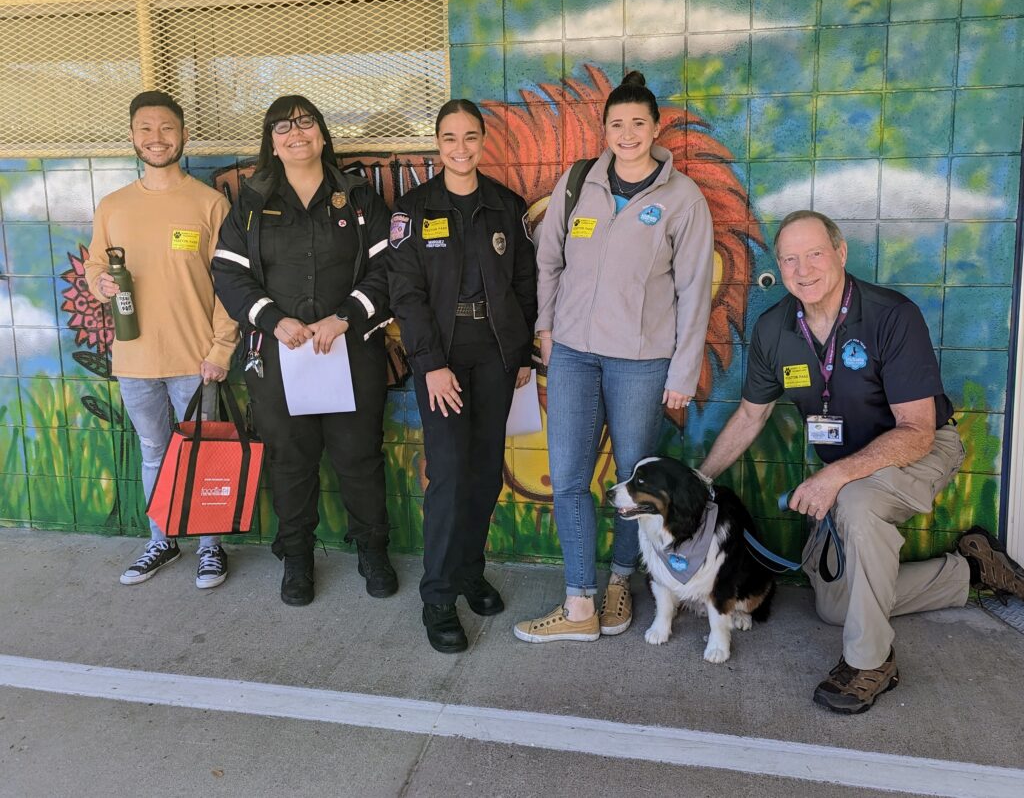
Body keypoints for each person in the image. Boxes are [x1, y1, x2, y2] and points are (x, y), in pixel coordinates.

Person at [697, 209, 1024, 714]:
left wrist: (837, 474)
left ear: (841, 253)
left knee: (854, 500)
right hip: (852, 467)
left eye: (814, 255)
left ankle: (870, 662)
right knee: (832, 605)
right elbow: (750, 415)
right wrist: (703, 479)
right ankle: (971, 572)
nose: (802, 270)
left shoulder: (890, 314)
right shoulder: (774, 328)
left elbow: (916, 431)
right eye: (789, 260)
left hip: (922, 448)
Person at [514, 71, 715, 643]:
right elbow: (547, 261)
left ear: (656, 128)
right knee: (571, 478)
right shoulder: (579, 183)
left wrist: (682, 371)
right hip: (574, 355)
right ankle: (579, 603)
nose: (627, 134)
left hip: (641, 362)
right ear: (603, 130)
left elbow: (694, 288)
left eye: (638, 124)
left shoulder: (682, 198)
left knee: (635, 483)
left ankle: (622, 583)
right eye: (617, 125)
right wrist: (546, 329)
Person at [212, 95, 397, 606]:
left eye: (306, 122)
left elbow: (390, 271)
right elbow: (227, 274)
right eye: (283, 127)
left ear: (322, 133)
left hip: (352, 351)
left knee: (359, 459)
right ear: (270, 140)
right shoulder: (249, 204)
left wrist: (345, 317)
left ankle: (373, 550)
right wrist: (275, 320)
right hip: (277, 358)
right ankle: (296, 558)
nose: (296, 133)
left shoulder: (360, 198)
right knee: (290, 462)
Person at [387, 99, 537, 653]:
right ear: (438, 144)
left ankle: (471, 572)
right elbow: (406, 293)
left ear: (482, 141)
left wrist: (520, 355)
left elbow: (525, 283)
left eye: (470, 137)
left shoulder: (505, 206)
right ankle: (438, 597)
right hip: (442, 357)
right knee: (449, 476)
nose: (460, 148)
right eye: (449, 138)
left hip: (495, 356)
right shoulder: (412, 209)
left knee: (484, 474)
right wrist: (430, 365)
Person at [85, 90, 237, 589]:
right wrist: (100, 284)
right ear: (132, 137)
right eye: (146, 129)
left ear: (184, 135)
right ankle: (162, 539)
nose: (157, 138)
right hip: (134, 359)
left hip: (196, 360)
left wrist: (220, 349)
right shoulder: (113, 206)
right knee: (154, 450)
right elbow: (95, 268)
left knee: (204, 452)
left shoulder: (210, 203)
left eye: (166, 128)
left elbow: (231, 285)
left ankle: (211, 549)